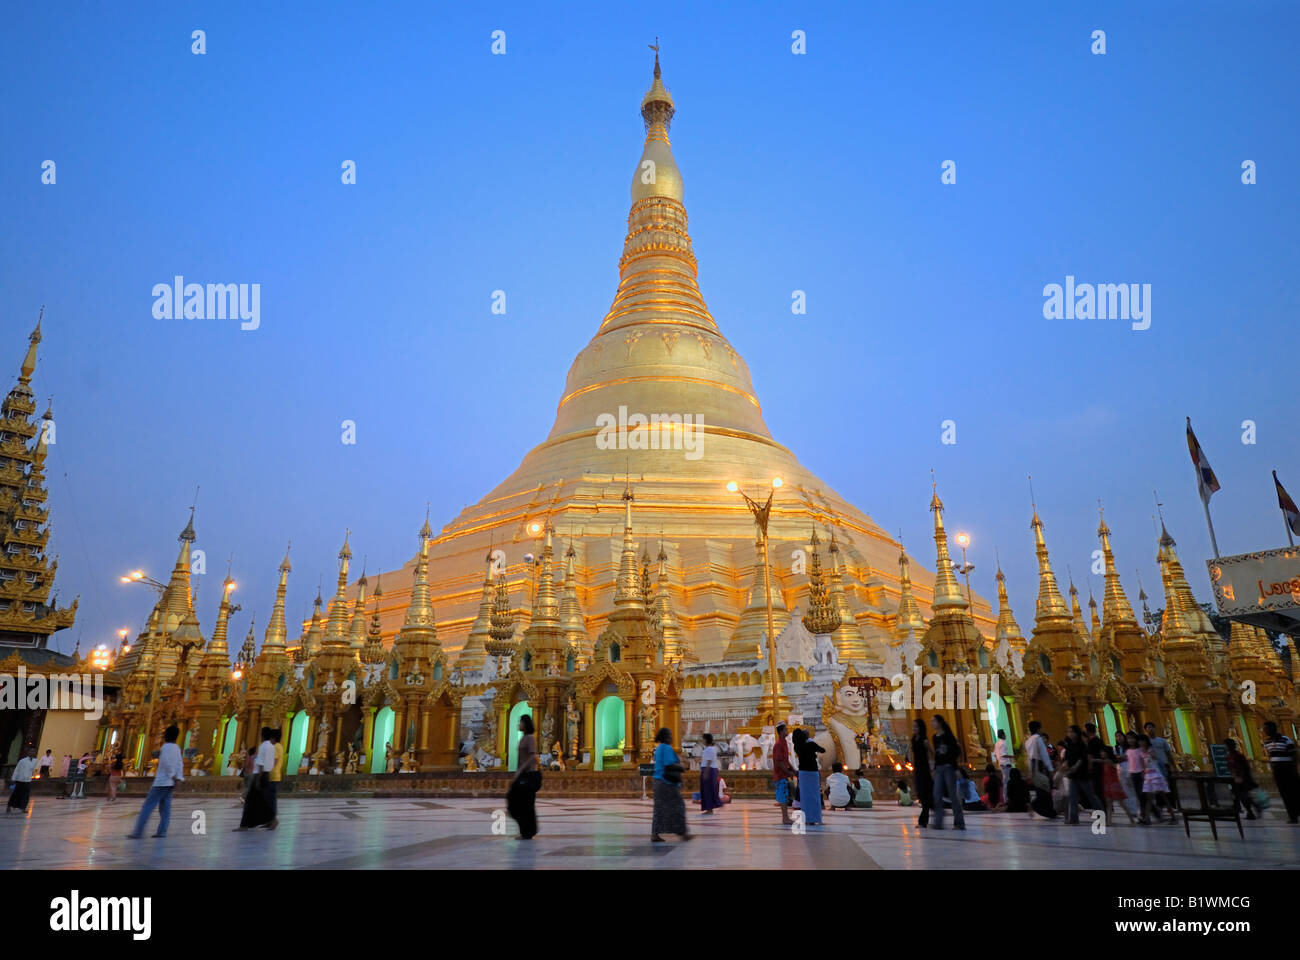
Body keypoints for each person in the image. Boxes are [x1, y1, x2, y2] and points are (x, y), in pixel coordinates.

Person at [128, 725, 184, 838]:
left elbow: (167, 764)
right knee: (165, 809)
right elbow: (179, 764)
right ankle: (162, 831)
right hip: (170, 783)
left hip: (162, 782)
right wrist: (179, 778)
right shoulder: (177, 748)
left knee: (148, 806)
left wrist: (172, 776)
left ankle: (138, 832)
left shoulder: (165, 747)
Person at [651, 727, 690, 842]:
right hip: (666, 783)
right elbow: (669, 765)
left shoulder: (658, 749)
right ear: (666, 737)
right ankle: (682, 833)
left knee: (659, 809)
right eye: (670, 735)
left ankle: (655, 834)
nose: (672, 737)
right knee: (678, 806)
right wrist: (681, 767)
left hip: (658, 782)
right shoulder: (667, 748)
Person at [506, 714, 541, 839]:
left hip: (526, 775)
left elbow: (533, 756)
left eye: (520, 722)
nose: (518, 725)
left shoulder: (530, 738)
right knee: (518, 804)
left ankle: (528, 832)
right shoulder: (523, 738)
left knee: (524, 805)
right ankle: (527, 831)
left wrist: (520, 770)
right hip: (521, 774)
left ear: (525, 724)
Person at [236, 728, 277, 830]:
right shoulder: (272, 746)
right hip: (267, 774)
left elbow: (261, 764)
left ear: (262, 735)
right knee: (263, 800)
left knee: (250, 801)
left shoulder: (263, 746)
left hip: (259, 775)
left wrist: (258, 779)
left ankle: (245, 825)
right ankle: (271, 820)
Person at [929, 715, 964, 830]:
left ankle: (959, 822)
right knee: (937, 795)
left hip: (949, 768)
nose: (932, 723)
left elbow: (954, 752)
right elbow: (937, 755)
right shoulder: (934, 737)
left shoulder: (948, 736)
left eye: (933, 721)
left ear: (939, 722)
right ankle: (938, 822)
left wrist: (955, 768)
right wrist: (934, 768)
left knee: (953, 795)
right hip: (939, 769)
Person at [1263, 721, 1300, 823]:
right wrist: (1272, 770)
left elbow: (1294, 755)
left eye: (1267, 728)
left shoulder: (1285, 740)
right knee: (1284, 794)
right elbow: (1271, 756)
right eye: (1264, 729)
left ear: (1273, 728)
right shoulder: (1267, 743)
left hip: (1288, 770)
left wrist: (1295, 769)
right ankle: (1293, 816)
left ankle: (1296, 811)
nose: (1265, 731)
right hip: (1278, 772)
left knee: (1295, 792)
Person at [1062, 725, 1097, 825]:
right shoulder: (1069, 745)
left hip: (1082, 774)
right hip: (1073, 775)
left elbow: (1082, 758)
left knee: (1091, 796)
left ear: (1077, 733)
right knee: (1072, 797)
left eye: (1072, 732)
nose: (1070, 734)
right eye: (1069, 732)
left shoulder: (1082, 745)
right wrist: (1065, 765)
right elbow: (1067, 758)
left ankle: (1101, 815)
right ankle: (1074, 819)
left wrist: (1075, 767)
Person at [1138, 735, 1175, 824]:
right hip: (1148, 775)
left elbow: (1154, 758)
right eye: (1140, 741)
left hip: (1155, 774)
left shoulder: (1151, 750)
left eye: (1143, 741)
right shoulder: (1141, 752)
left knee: (1163, 796)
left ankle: (1173, 816)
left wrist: (1149, 754)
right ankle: (1147, 818)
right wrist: (1143, 773)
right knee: (1149, 797)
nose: (1141, 743)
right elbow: (1142, 765)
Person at [1024, 721, 1057, 819]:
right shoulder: (1038, 739)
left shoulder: (1028, 741)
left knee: (1040, 789)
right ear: (1038, 729)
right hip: (1039, 765)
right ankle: (1039, 807)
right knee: (1045, 788)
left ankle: (1049, 811)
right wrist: (1050, 769)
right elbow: (1044, 755)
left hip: (1032, 766)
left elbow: (1028, 757)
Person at [792, 728, 825, 826]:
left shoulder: (796, 746)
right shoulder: (811, 744)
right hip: (812, 772)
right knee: (815, 795)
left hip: (803, 773)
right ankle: (816, 818)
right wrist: (810, 740)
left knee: (805, 797)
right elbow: (822, 750)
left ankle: (806, 819)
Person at [1144, 721, 1177, 809]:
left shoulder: (1162, 741)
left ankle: (1172, 804)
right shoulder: (1146, 743)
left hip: (1164, 765)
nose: (1149, 729)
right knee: (1157, 786)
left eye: (1151, 727)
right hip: (1153, 767)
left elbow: (1168, 753)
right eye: (1147, 728)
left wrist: (1174, 765)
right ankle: (1160, 804)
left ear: (1155, 728)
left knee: (1168, 785)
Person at [1223, 738, 1258, 820]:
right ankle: (1248, 810)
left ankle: (1251, 811)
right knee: (1239, 795)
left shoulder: (1237, 755)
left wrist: (1241, 777)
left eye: (1225, 745)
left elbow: (1243, 768)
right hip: (1235, 779)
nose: (1224, 747)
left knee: (1242, 796)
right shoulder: (1230, 755)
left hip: (1240, 779)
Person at [1099, 743, 1134, 825]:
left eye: (1102, 752)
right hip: (1108, 783)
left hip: (1113, 784)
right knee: (1110, 803)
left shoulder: (1108, 761)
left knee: (1119, 803)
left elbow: (1114, 767)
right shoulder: (1105, 762)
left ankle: (1131, 818)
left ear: (1106, 752)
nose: (1101, 753)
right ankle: (1109, 821)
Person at [911, 719, 934, 828]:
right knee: (921, 793)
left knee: (925, 794)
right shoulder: (914, 739)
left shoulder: (924, 740)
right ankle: (936, 808)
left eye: (916, 726)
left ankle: (923, 821)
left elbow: (931, 753)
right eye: (913, 726)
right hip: (918, 769)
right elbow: (912, 754)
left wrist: (932, 767)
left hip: (924, 769)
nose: (914, 728)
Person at [772, 722, 795, 826]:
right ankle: (785, 818)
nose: (787, 731)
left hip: (784, 774)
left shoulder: (784, 742)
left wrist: (793, 769)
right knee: (783, 797)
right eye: (785, 730)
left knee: (785, 796)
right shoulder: (778, 744)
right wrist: (788, 772)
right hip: (780, 774)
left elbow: (786, 760)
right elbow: (778, 762)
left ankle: (786, 817)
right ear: (781, 731)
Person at [7, 747, 37, 815]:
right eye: (30, 751)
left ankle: (23, 807)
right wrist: (13, 779)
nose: (32, 753)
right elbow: (17, 769)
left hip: (28, 780)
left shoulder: (35, 761)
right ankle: (9, 806)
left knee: (26, 795)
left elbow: (33, 770)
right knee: (15, 794)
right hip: (20, 780)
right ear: (28, 752)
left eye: (33, 751)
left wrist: (33, 776)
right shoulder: (22, 761)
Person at [698, 732, 722, 814]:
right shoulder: (708, 749)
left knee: (708, 790)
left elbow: (709, 761)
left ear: (706, 740)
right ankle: (708, 808)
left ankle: (710, 808)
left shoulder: (710, 749)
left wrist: (706, 772)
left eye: (703, 739)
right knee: (706, 789)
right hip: (708, 769)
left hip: (709, 770)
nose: (702, 741)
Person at [992, 730, 1013, 807]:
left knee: (1005, 781)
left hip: (1001, 764)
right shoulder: (1003, 743)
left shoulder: (997, 743)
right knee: (1007, 781)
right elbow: (1003, 755)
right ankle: (1007, 798)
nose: (1005, 735)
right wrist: (1012, 757)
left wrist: (998, 760)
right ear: (1003, 735)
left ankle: (1005, 798)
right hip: (1006, 763)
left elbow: (995, 754)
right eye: (1005, 734)